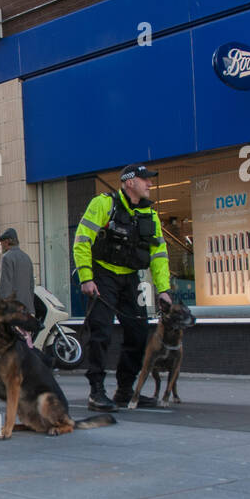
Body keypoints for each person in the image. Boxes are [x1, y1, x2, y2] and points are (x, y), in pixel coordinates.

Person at [72, 164, 173, 411]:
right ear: (129, 182)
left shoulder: (150, 215)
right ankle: (96, 392)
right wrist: (87, 278)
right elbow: (82, 240)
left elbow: (159, 254)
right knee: (101, 333)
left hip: (130, 279)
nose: (150, 184)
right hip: (103, 275)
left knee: (139, 334)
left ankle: (125, 391)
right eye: (144, 179)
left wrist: (163, 289)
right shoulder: (104, 204)